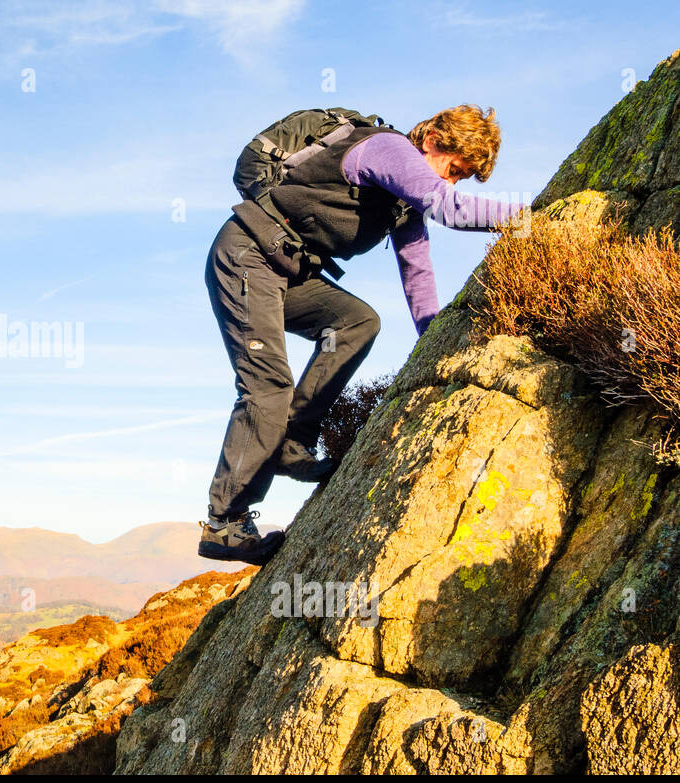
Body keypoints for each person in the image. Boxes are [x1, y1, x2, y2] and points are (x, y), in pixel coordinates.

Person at [198, 105, 525, 564]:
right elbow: (449, 208)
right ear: (432, 138)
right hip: (246, 257)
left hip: (288, 272)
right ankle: (225, 523)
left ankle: (293, 441)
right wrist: (529, 218)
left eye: (462, 178)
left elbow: (417, 271)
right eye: (454, 170)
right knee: (268, 385)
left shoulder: (402, 203)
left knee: (357, 321)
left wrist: (434, 342)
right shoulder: (387, 149)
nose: (451, 184)